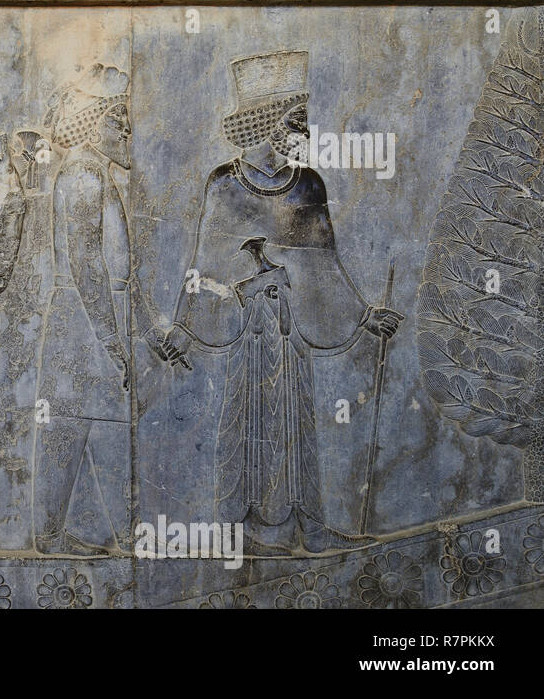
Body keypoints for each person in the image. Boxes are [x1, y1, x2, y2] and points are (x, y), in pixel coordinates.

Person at [158, 50, 402, 553]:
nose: (306, 132)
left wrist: (361, 315)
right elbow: (205, 261)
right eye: (296, 121)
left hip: (294, 324)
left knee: (295, 418)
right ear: (268, 123)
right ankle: (255, 528)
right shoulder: (226, 183)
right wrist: (187, 324)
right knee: (253, 418)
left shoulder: (308, 183)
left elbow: (325, 262)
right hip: (248, 325)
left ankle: (307, 524)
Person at [32, 64, 133, 555]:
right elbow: (88, 263)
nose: (128, 130)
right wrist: (112, 340)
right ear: (93, 124)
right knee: (76, 425)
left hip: (90, 314)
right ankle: (56, 536)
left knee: (84, 424)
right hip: (84, 317)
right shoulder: (85, 175)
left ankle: (106, 533)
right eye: (118, 119)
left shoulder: (92, 173)